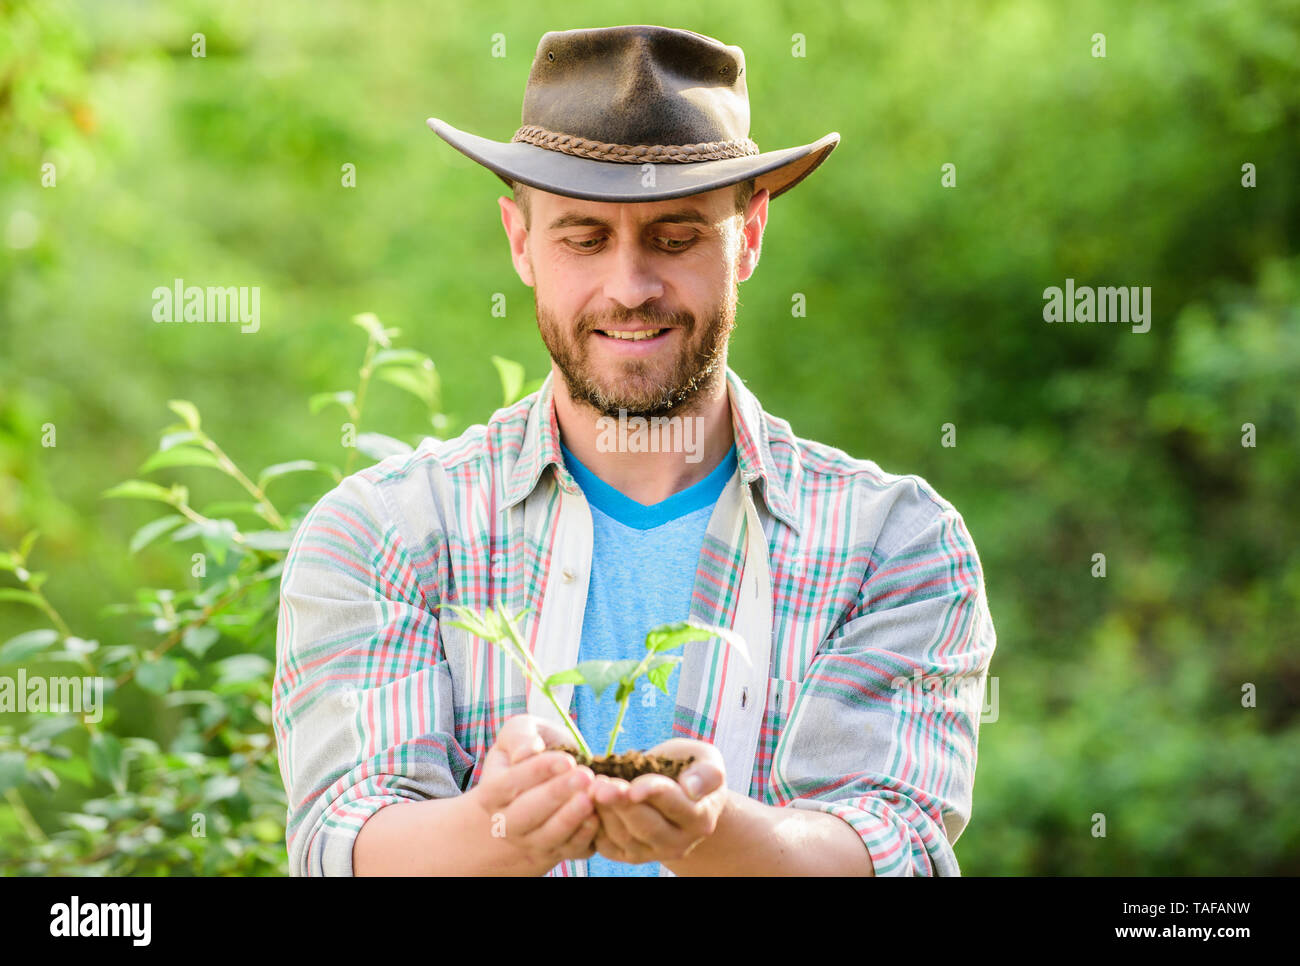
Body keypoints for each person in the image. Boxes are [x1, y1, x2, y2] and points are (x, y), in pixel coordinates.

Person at [272, 24, 997, 877]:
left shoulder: (894, 544)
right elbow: (341, 842)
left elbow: (895, 846)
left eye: (677, 237)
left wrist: (711, 831)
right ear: (519, 242)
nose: (630, 287)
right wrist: (495, 826)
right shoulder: (382, 532)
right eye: (583, 238)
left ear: (749, 237)